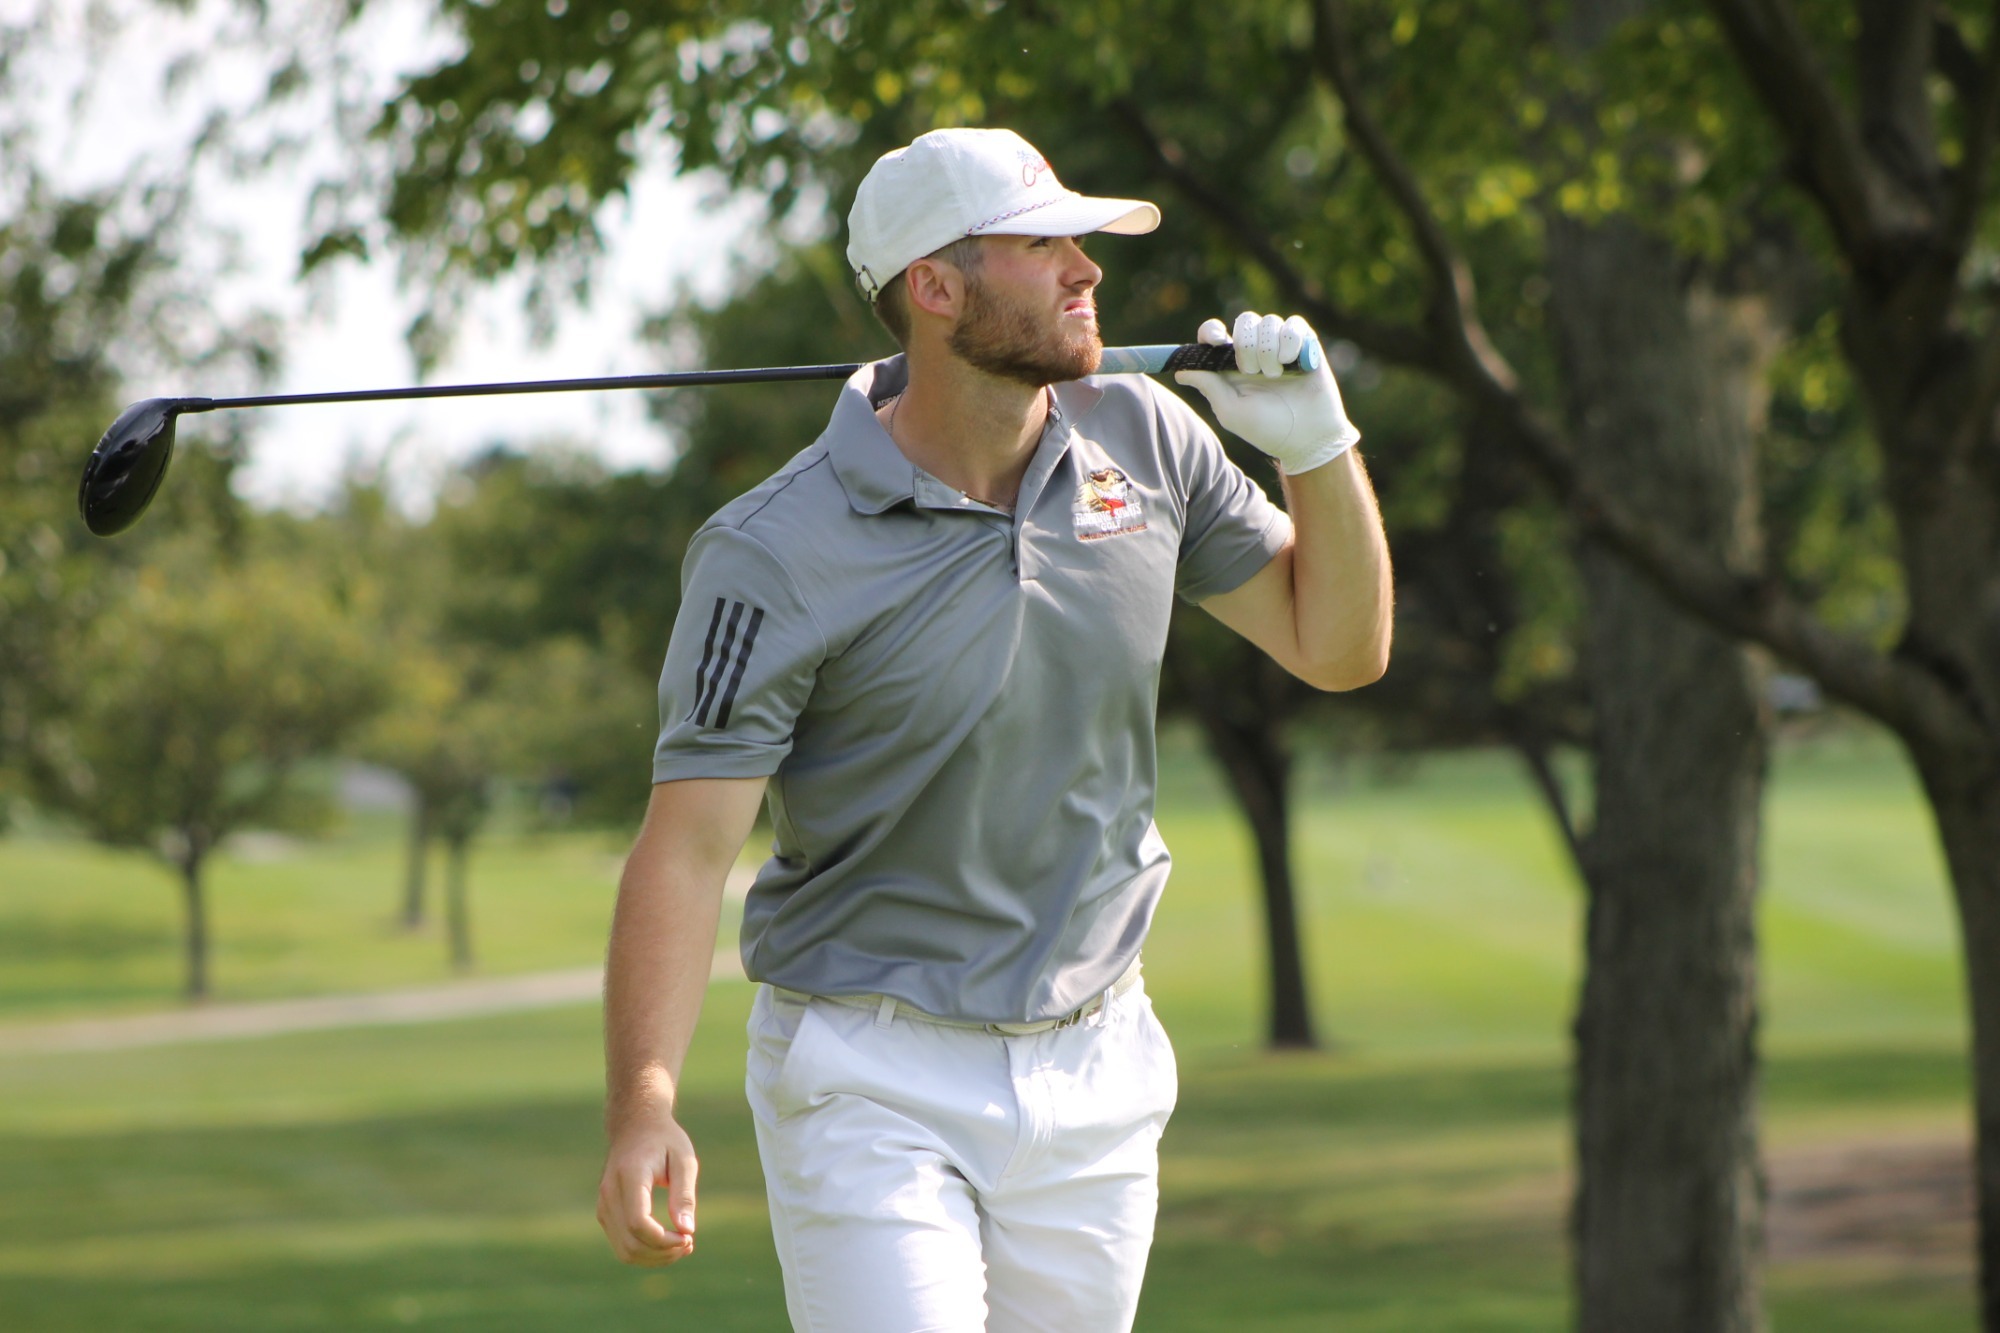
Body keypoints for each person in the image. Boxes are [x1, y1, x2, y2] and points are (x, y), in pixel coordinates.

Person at [596, 126, 1392, 1333]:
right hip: (871, 1074)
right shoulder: (768, 552)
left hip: (1097, 1062)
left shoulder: (1150, 439)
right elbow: (688, 845)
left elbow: (1339, 649)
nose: (1088, 272)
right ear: (934, 287)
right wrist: (644, 1100)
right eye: (1045, 246)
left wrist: (1319, 454)